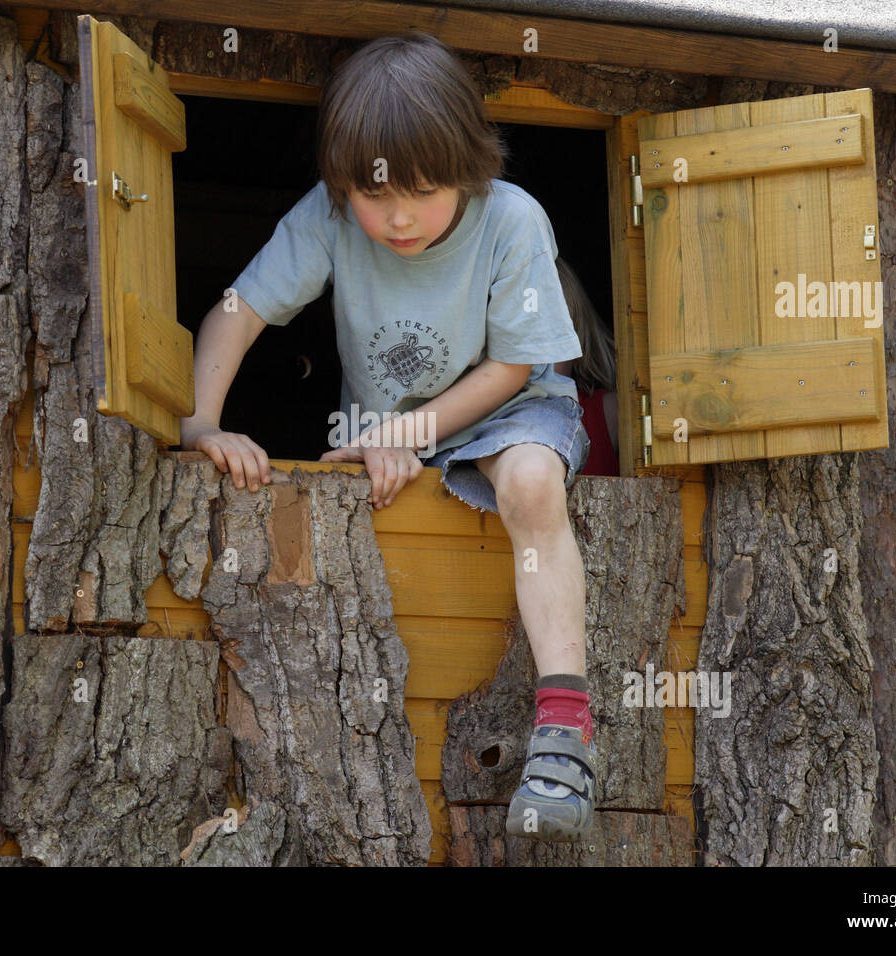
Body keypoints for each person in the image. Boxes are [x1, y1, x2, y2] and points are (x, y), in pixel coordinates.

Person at [178, 31, 598, 843]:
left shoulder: (512, 220)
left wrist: (402, 430)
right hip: (386, 436)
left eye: (424, 191)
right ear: (341, 186)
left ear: (472, 168)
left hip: (510, 410)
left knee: (533, 486)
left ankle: (565, 728)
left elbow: (513, 367)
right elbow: (240, 310)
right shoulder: (329, 217)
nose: (399, 217)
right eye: (375, 197)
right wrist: (202, 421)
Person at [553, 257, 620, 476]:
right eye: (522, 337)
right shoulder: (481, 422)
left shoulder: (608, 414)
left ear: (578, 343)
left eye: (555, 336)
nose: (539, 357)